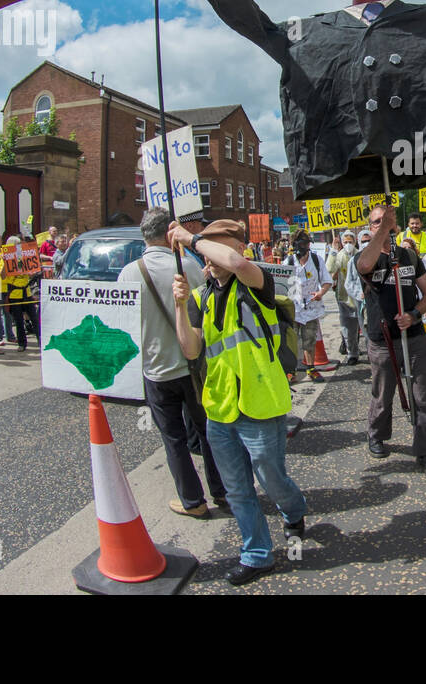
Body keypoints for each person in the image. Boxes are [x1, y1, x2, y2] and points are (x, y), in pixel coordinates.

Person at [170, 218, 306, 586]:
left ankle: (294, 509)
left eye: (216, 248)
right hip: (220, 406)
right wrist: (180, 306)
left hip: (261, 401)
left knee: (272, 480)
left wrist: (192, 238)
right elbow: (190, 348)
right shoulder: (201, 296)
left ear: (236, 248)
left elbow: (236, 264)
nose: (208, 258)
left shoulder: (256, 278)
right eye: (206, 250)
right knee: (238, 490)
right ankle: (258, 554)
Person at [119, 208, 225, 518]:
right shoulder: (190, 268)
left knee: (174, 439)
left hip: (156, 369)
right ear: (170, 234)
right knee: (208, 432)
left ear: (144, 236)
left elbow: (125, 326)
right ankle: (223, 492)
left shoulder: (128, 273)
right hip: (194, 369)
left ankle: (193, 501)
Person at [355, 202, 426, 474]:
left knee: (422, 397)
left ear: (395, 225)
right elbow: (364, 265)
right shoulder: (365, 257)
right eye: (375, 222)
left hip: (413, 337)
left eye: (385, 220)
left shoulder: (408, 257)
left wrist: (414, 315)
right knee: (383, 393)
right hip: (382, 340)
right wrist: (384, 228)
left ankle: (424, 450)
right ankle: (377, 434)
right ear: (370, 228)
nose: (380, 225)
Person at [284, 231, 331, 382]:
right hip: (293, 309)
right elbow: (280, 284)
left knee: (309, 340)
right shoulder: (288, 262)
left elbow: (327, 280)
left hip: (311, 307)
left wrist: (321, 292)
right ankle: (291, 371)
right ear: (295, 245)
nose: (306, 247)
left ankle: (311, 368)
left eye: (307, 243)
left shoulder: (317, 260)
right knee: (291, 341)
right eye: (302, 243)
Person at [327, 229, 362, 366]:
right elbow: (329, 269)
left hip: (360, 296)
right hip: (344, 296)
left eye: (350, 242)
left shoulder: (360, 255)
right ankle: (352, 353)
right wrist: (333, 251)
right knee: (347, 328)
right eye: (345, 242)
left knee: (365, 326)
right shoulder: (339, 255)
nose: (348, 244)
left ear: (355, 242)